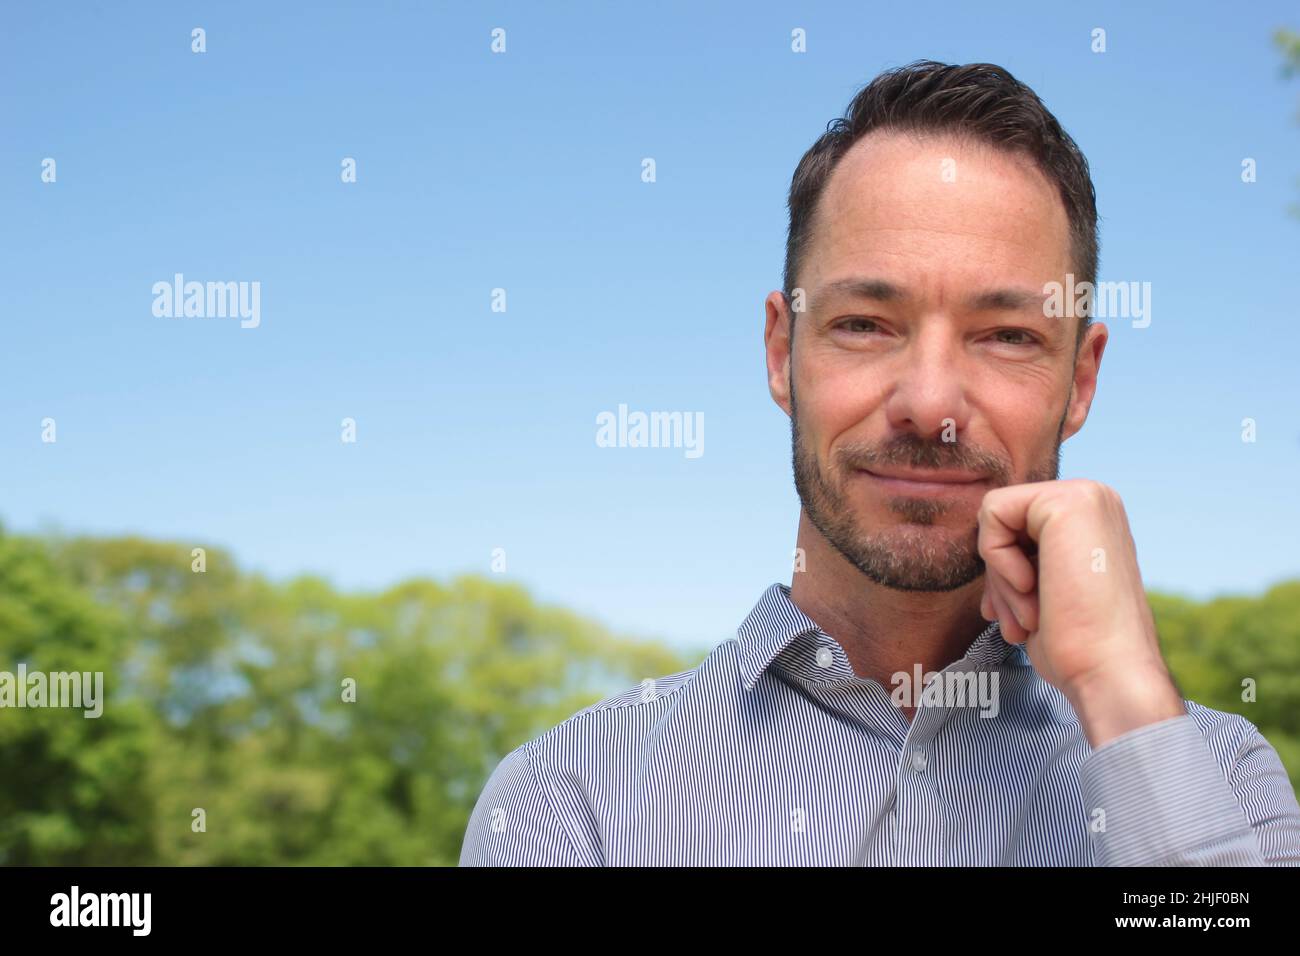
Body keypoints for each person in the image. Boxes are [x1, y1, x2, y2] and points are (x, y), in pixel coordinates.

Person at [459, 60, 1300, 866]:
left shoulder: (1222, 782)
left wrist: (1123, 696)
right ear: (782, 352)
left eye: (1006, 335)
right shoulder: (569, 803)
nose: (930, 404)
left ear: (1079, 381)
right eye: (866, 322)